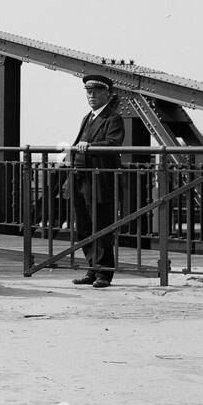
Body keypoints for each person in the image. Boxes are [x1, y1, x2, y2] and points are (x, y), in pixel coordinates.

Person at [67, 73, 124, 288]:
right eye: (88, 92)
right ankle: (92, 268)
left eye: (96, 92)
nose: (91, 96)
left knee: (101, 225)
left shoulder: (113, 118)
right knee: (83, 225)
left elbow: (114, 143)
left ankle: (104, 273)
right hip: (81, 177)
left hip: (100, 179)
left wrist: (89, 146)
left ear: (106, 94)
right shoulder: (87, 118)